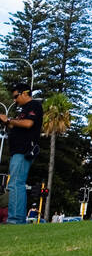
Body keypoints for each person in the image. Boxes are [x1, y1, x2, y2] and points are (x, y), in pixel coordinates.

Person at [0, 83, 43, 225]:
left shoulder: (34, 105)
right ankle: (16, 218)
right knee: (15, 183)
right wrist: (7, 122)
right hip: (18, 151)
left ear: (25, 93)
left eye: (16, 97)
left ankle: (15, 219)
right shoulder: (24, 109)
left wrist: (9, 120)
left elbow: (28, 124)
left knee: (15, 183)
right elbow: (17, 124)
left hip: (24, 150)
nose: (14, 100)